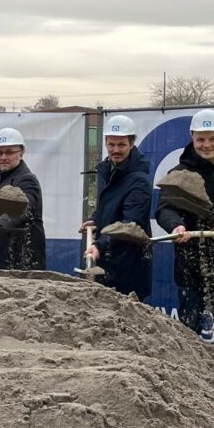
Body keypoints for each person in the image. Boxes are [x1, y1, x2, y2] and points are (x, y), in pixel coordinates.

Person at [154, 109, 214, 358]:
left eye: (212, 138)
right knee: (190, 327)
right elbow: (164, 209)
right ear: (191, 137)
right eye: (200, 139)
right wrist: (176, 226)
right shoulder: (178, 174)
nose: (206, 145)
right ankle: (191, 379)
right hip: (191, 263)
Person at [83, 114, 153, 300]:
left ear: (131, 144)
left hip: (130, 265)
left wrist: (99, 244)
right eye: (111, 144)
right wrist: (96, 219)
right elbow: (109, 207)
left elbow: (129, 224)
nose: (115, 150)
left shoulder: (139, 181)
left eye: (121, 145)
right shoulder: (110, 171)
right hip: (110, 260)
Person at [0, 127, 46, 271]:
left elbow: (23, 209)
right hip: (0, 255)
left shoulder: (27, 180)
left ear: (21, 153)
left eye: (9, 152)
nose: (3, 157)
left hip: (24, 258)